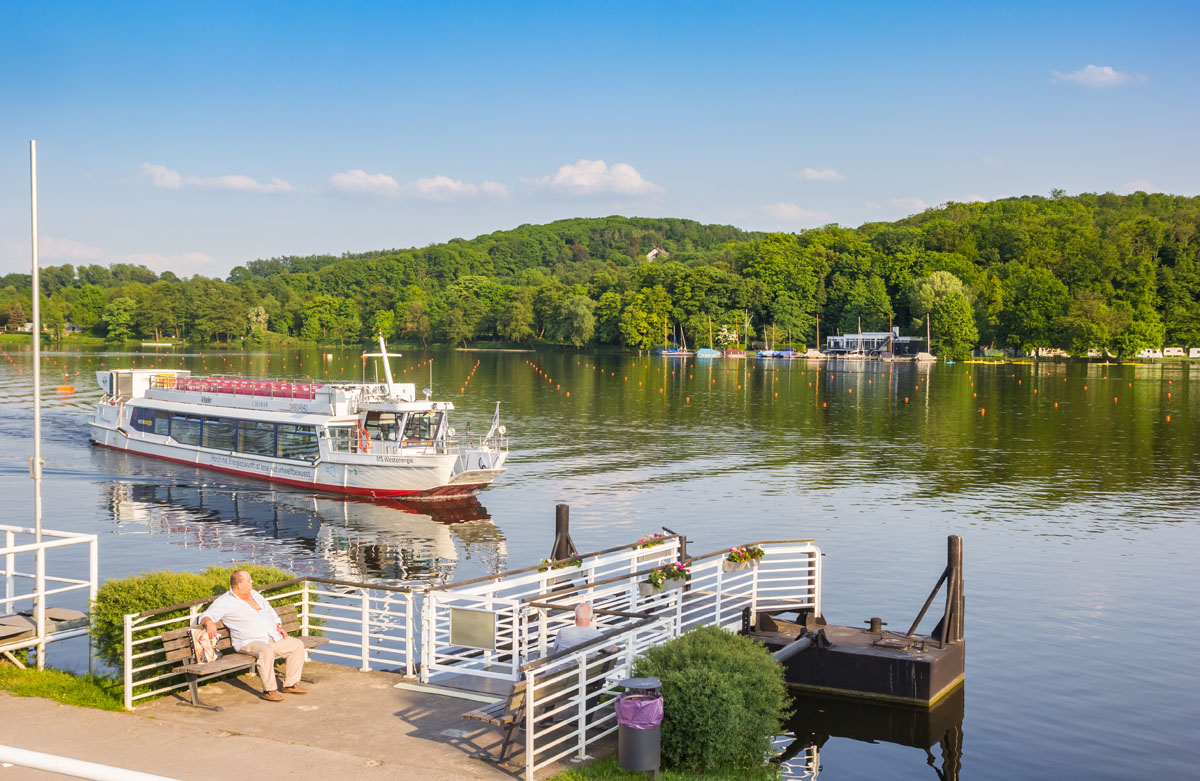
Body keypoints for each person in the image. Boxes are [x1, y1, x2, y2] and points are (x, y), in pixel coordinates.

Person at [197, 570, 307, 702]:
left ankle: (290, 684)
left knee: (296, 645)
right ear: (239, 585)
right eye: (249, 581)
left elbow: (269, 611)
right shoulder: (225, 602)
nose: (252, 582)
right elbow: (204, 616)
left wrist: (278, 625)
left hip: (270, 636)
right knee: (266, 651)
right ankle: (269, 691)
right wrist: (209, 622)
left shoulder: (255, 594)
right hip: (248, 641)